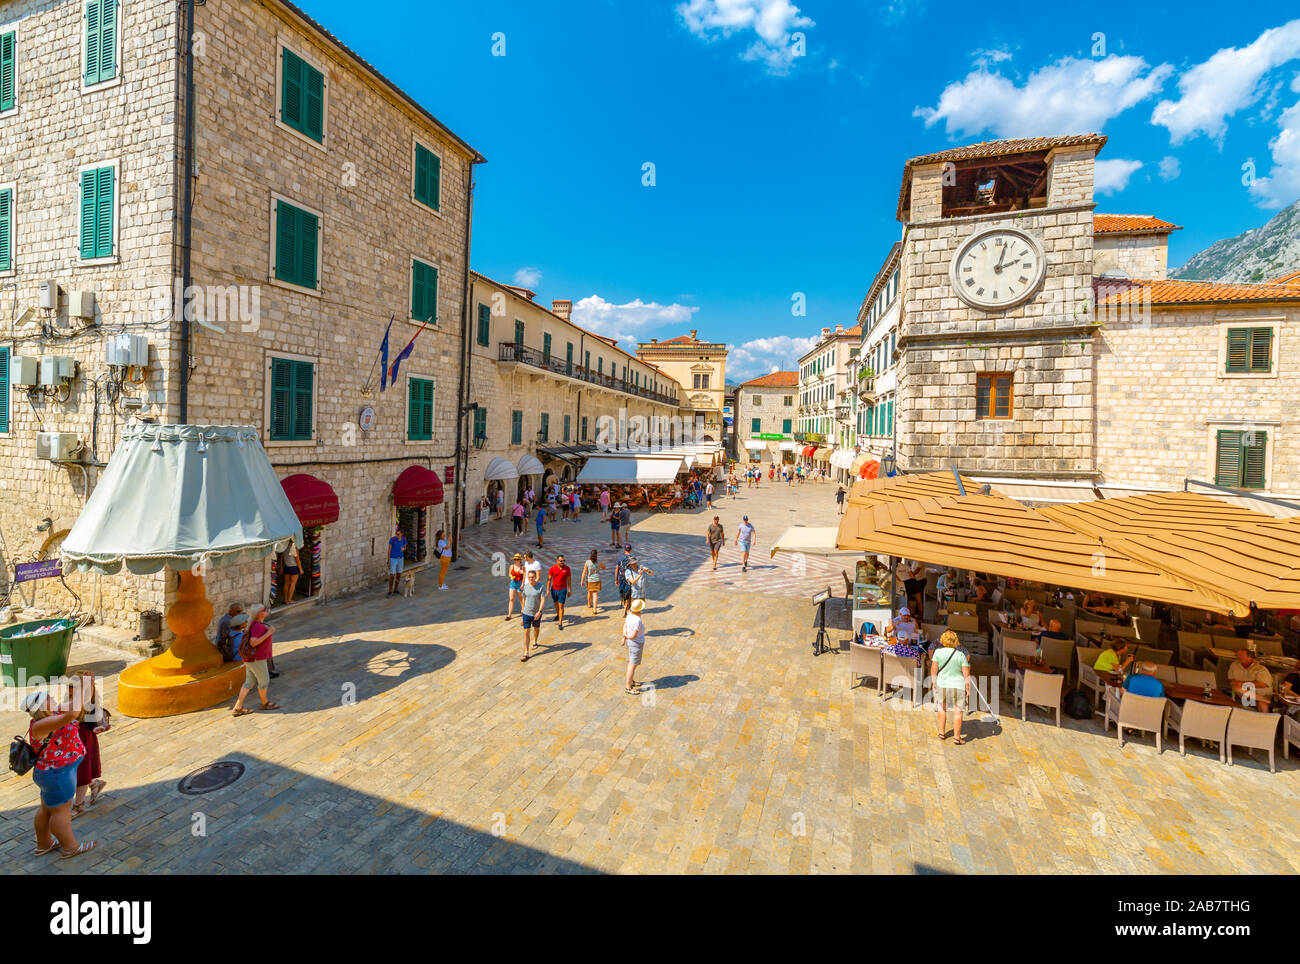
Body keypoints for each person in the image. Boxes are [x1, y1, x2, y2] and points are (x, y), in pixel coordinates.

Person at [23, 682, 96, 859]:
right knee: (60, 812)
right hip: (57, 775)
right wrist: (82, 686)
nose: (53, 698)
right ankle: (70, 847)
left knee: (48, 809)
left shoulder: (55, 712)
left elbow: (81, 703)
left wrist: (88, 684)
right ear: (42, 706)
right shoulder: (41, 724)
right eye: (49, 698)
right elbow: (73, 713)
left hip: (53, 774)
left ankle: (44, 844)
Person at [71, 672, 110, 818]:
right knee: (80, 771)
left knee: (81, 773)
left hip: (83, 740)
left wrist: (97, 729)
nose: (68, 689)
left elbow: (94, 724)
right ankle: (95, 784)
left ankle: (79, 805)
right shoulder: (70, 700)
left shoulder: (88, 705)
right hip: (72, 741)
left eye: (72, 686)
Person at [232, 605, 279, 715]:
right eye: (264, 610)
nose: (266, 610)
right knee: (264, 681)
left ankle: (238, 707)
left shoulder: (255, 624)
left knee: (249, 682)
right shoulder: (258, 626)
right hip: (257, 659)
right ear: (258, 614)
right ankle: (265, 703)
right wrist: (269, 632)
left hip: (251, 659)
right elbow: (253, 642)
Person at [931, 629, 971, 745]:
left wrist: (934, 682)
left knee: (941, 708)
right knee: (958, 712)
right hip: (958, 686)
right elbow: (966, 674)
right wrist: (968, 688)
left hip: (942, 684)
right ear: (956, 641)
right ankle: (957, 738)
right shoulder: (961, 655)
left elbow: (934, 670)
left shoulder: (938, 652)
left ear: (943, 640)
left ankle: (942, 733)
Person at [518, 568, 545, 661]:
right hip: (526, 613)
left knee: (536, 629)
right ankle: (526, 652)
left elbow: (543, 600)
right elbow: (524, 598)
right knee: (526, 631)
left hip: (536, 613)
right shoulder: (525, 586)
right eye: (529, 577)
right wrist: (523, 609)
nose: (530, 579)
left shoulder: (540, 586)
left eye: (532, 577)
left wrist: (540, 611)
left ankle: (535, 641)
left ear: (535, 577)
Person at [622, 598, 647, 695]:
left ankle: (631, 681)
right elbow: (633, 635)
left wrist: (624, 636)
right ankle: (628, 687)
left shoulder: (629, 615)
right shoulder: (637, 621)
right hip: (636, 644)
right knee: (632, 665)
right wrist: (628, 637)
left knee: (632, 663)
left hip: (632, 644)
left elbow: (625, 626)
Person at [547, 554, 573, 630]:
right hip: (554, 589)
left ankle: (560, 623)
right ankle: (558, 614)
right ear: (557, 561)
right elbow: (549, 580)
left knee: (561, 605)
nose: (563, 562)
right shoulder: (552, 568)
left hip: (563, 590)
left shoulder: (567, 569)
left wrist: (569, 590)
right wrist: (548, 590)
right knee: (556, 604)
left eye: (564, 561)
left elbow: (569, 580)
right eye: (561, 561)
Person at [582, 550, 606, 615]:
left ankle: (589, 604)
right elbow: (604, 568)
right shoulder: (599, 562)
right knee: (595, 594)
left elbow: (584, 572)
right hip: (597, 580)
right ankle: (595, 609)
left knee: (589, 592)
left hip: (589, 580)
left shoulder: (587, 562)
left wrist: (582, 581)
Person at [386, 525, 407, 596]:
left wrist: (404, 549)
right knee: (392, 575)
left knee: (398, 574)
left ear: (402, 534)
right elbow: (389, 550)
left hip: (400, 559)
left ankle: (396, 589)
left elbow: (405, 547)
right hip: (393, 559)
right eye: (396, 533)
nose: (396, 535)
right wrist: (388, 561)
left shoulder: (404, 539)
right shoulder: (392, 539)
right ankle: (390, 590)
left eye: (398, 534)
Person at [505, 553, 525, 620]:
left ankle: (523, 611)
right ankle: (509, 615)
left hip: (520, 583)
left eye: (517, 559)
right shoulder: (511, 566)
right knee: (511, 599)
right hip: (513, 583)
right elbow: (510, 574)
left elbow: (524, 576)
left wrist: (522, 584)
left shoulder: (522, 567)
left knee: (521, 598)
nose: (516, 560)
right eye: (515, 559)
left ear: (520, 560)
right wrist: (511, 577)